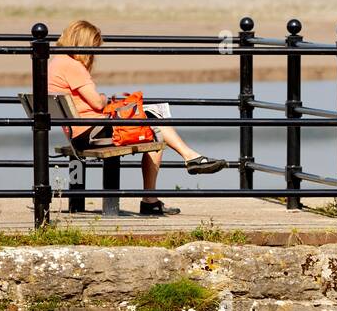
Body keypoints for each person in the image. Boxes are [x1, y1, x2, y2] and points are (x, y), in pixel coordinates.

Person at [48, 19, 224, 216]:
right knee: (154, 127)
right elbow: (97, 103)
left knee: (153, 126)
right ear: (84, 44)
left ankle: (183, 164)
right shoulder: (73, 66)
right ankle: (185, 162)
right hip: (90, 133)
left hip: (80, 132)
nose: (93, 54)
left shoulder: (57, 62)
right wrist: (106, 99)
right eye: (93, 48)